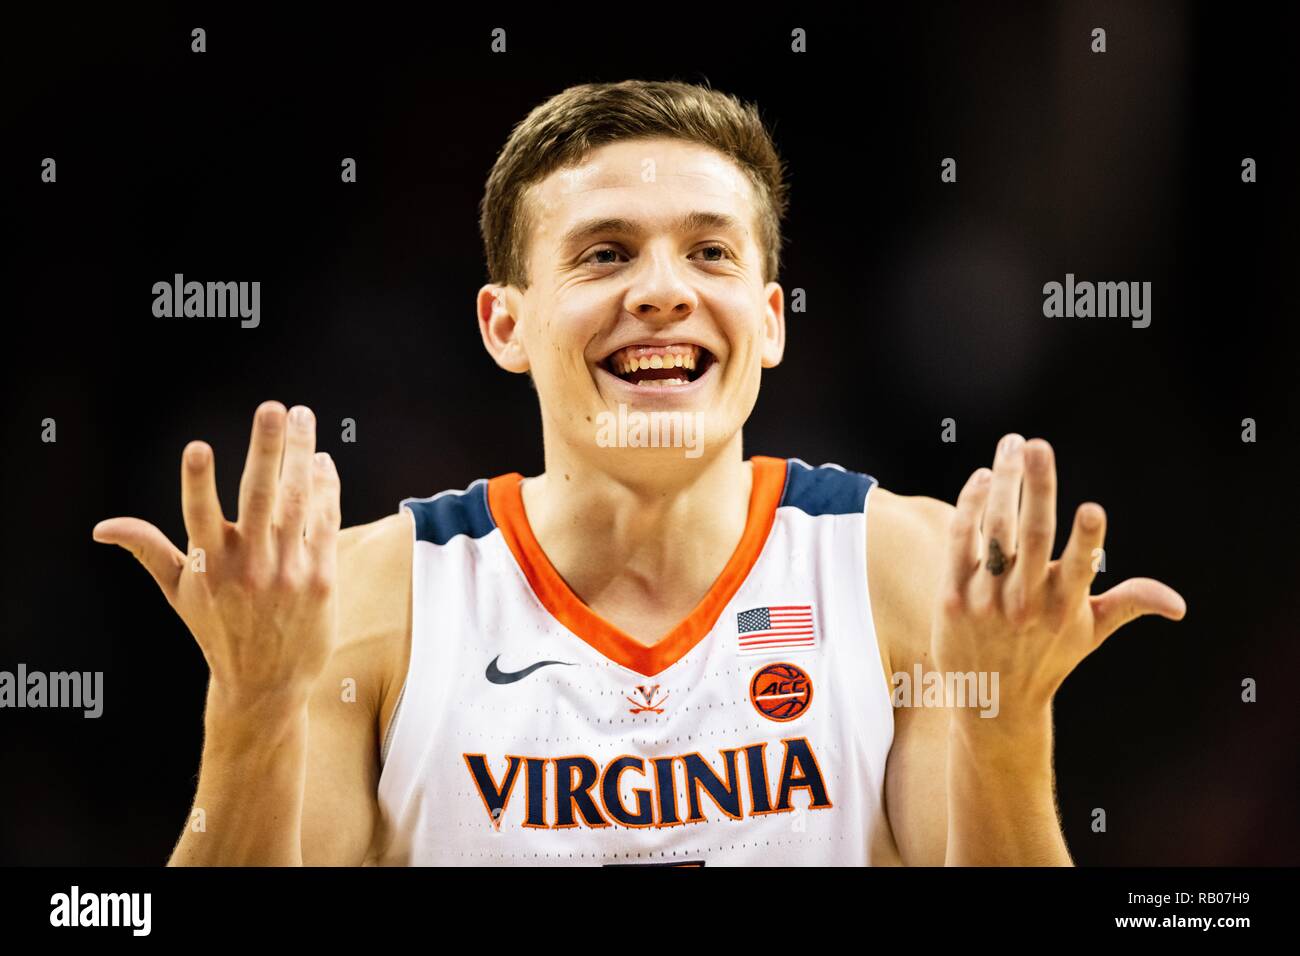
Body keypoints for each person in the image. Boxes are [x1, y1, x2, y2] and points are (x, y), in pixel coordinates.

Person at [92, 79, 1186, 866]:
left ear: (767, 320)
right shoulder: (371, 599)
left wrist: (1003, 719)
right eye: (605, 251)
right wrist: (251, 703)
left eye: (709, 251)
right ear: (505, 322)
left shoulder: (905, 568)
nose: (663, 290)